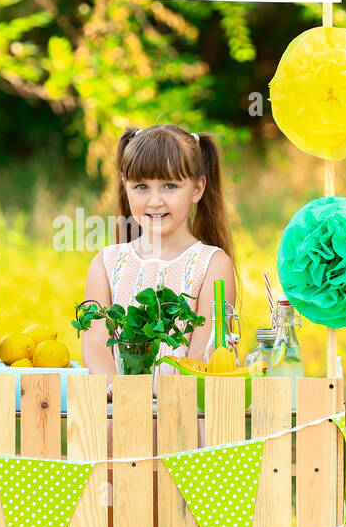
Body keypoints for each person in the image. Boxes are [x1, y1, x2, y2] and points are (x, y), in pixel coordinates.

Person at [82, 124, 238, 396]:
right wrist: (116, 388)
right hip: (121, 416)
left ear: (197, 188)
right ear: (125, 186)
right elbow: (95, 342)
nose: (155, 201)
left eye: (170, 186)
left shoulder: (213, 264)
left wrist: (164, 396)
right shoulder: (106, 264)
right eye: (141, 186)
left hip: (185, 418)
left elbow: (206, 350)